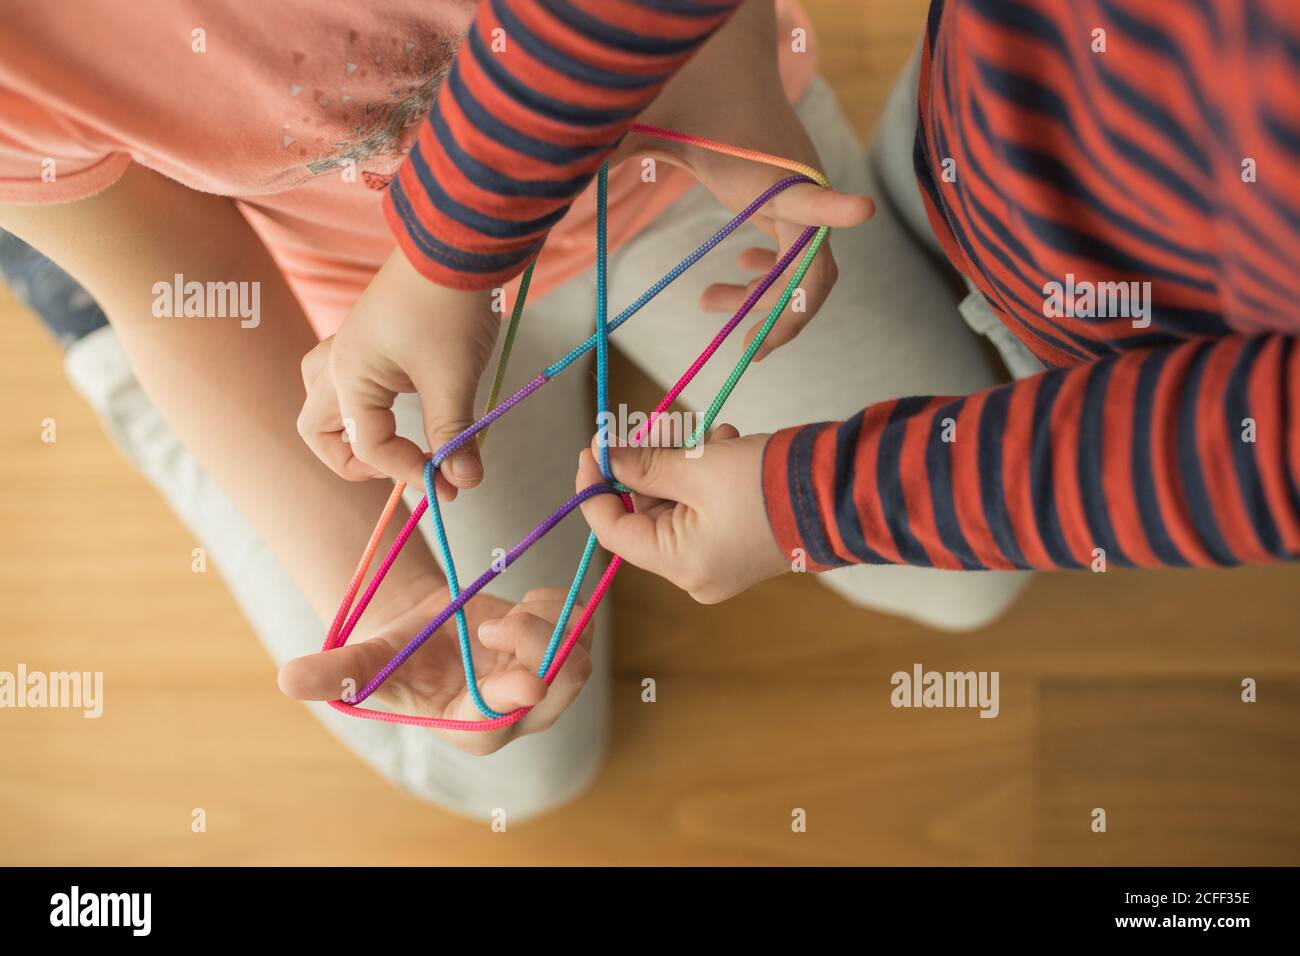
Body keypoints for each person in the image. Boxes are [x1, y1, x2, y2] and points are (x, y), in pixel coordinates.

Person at [0, 0, 1028, 820]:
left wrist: (735, 60)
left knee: (970, 571)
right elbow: (176, 289)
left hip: (687, 173)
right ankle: (95, 337)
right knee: (511, 775)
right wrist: (397, 591)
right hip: (357, 324)